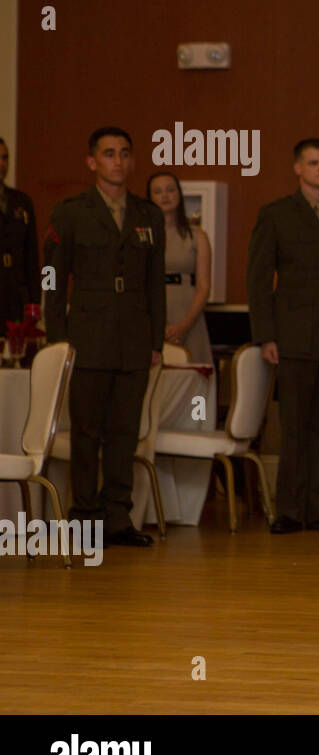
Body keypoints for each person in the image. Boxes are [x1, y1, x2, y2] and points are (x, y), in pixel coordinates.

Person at [43, 127, 166, 547]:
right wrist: (58, 341)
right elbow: (53, 278)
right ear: (92, 162)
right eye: (109, 153)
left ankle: (117, 517)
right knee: (87, 433)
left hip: (133, 337)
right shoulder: (71, 212)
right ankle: (84, 517)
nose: (118, 161)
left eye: (125, 153)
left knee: (124, 433)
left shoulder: (148, 215)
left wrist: (155, 342)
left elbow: (155, 283)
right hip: (87, 336)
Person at [247, 139, 319, 534]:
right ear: (297, 168)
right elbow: (259, 281)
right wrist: (266, 335)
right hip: (293, 333)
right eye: (314, 163)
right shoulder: (277, 215)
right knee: (294, 426)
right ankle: (289, 509)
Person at [146, 171, 214, 366]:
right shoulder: (143, 235)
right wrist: (159, 325)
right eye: (158, 191)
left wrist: (185, 325)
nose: (165, 196)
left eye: (170, 190)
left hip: (188, 313)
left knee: (192, 372)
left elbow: (203, 287)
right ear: (150, 198)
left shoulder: (197, 235)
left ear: (179, 194)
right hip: (151, 313)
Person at [0, 137, 40, 327]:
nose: (2, 164)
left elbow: (31, 256)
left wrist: (34, 301)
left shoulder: (21, 202)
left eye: (5, 158)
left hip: (15, 294)